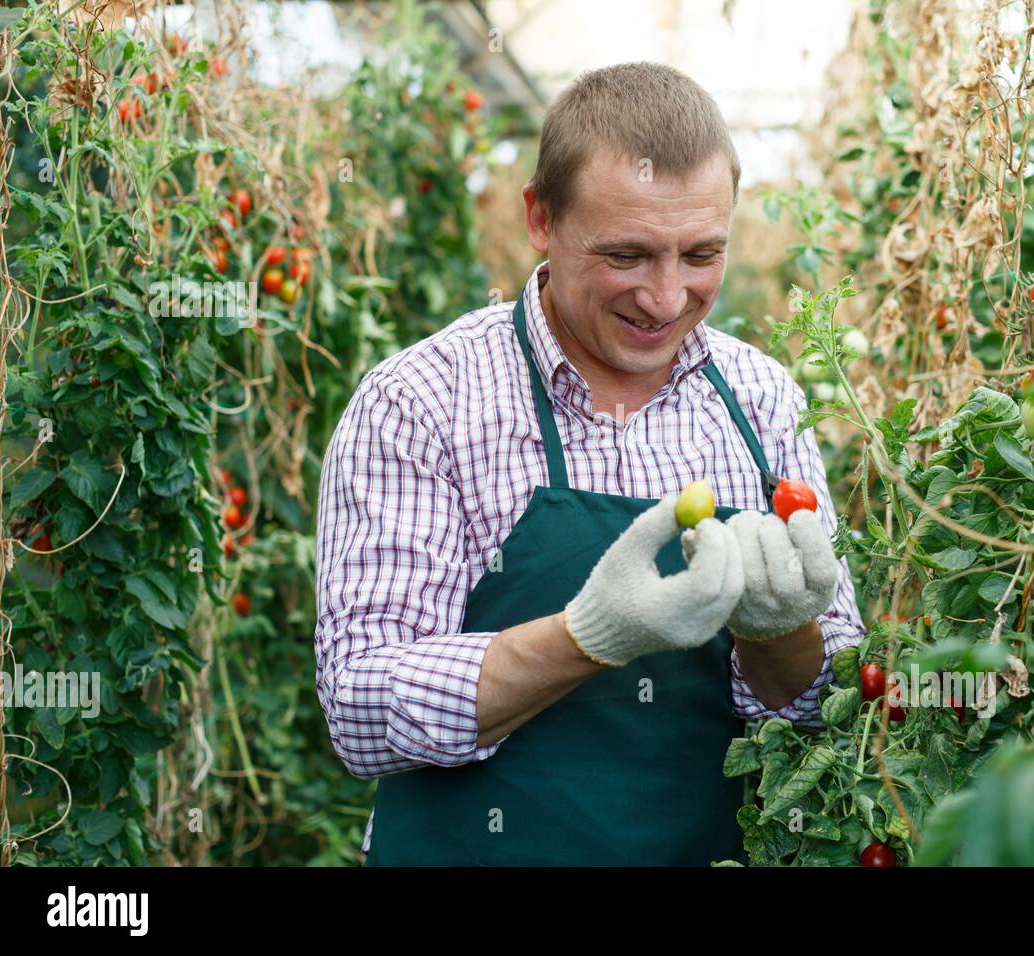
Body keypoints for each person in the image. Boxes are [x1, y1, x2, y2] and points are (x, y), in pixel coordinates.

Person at [314, 61, 864, 866]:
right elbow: (362, 710)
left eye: (701, 253)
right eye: (627, 255)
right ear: (541, 217)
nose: (667, 297)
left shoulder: (760, 398)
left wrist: (782, 634)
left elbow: (832, 704)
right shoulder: (422, 402)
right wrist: (589, 635)